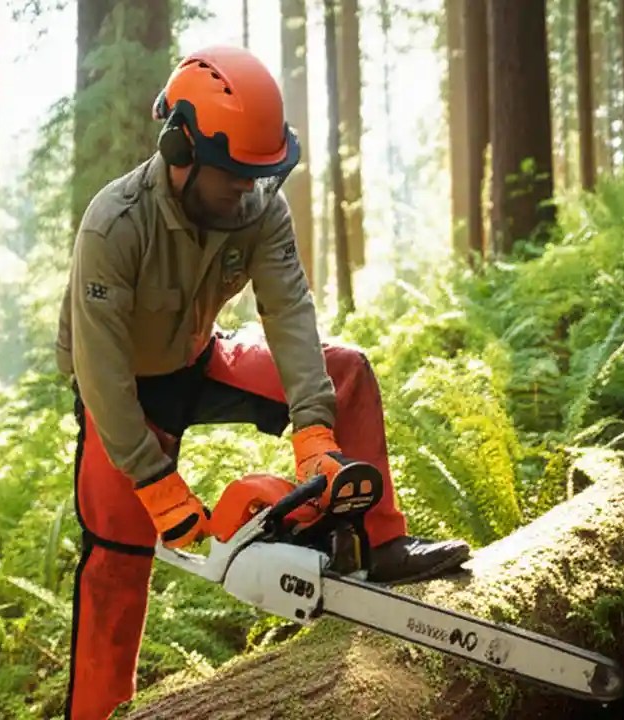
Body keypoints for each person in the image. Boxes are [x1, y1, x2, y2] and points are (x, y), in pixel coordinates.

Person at [54, 45, 471, 720]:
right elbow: (99, 370)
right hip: (124, 390)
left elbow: (289, 313)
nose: (247, 190)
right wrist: (154, 480)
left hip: (200, 359)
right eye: (234, 176)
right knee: (116, 562)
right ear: (180, 148)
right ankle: (99, 713)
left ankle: (379, 543)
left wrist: (314, 431)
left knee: (346, 371)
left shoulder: (259, 209)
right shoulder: (115, 224)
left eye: (259, 175)